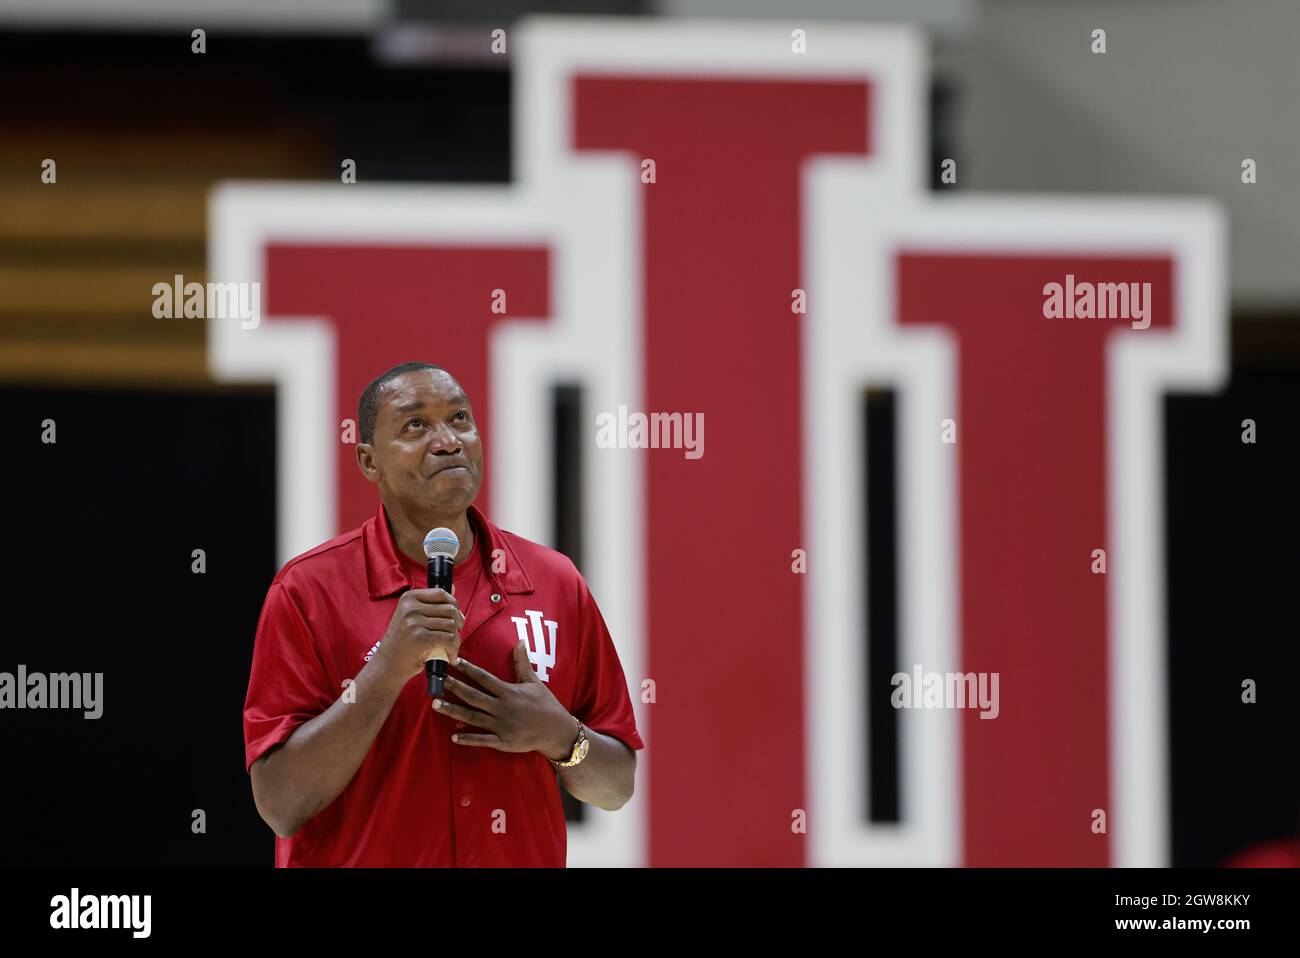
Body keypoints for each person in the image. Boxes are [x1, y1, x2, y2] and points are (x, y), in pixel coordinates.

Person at [242, 361, 643, 866]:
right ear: (369, 462)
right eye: (415, 425)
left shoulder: (554, 581)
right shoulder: (307, 591)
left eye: (460, 419)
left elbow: (616, 787)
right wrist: (386, 669)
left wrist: (560, 735)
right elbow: (280, 803)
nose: (449, 440)